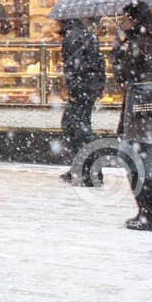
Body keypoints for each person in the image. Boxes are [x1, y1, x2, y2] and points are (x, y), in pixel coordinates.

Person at [114, 0, 152, 231]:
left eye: (125, 18)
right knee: (142, 153)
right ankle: (147, 212)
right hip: (151, 104)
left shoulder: (138, 43)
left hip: (139, 104)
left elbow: (123, 75)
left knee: (133, 155)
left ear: (134, 19)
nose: (121, 22)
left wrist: (118, 48)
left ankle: (147, 213)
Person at [58, 17, 105, 183]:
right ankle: (83, 168)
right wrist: (99, 85)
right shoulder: (88, 35)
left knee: (77, 129)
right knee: (78, 127)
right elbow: (99, 62)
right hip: (88, 88)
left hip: (81, 89)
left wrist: (73, 89)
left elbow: (73, 67)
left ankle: (90, 171)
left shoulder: (72, 37)